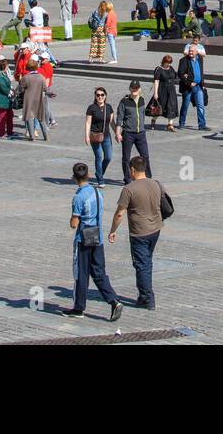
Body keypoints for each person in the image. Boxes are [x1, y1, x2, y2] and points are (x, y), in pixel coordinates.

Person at [64, 162, 123, 321]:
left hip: (83, 238)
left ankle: (79, 307)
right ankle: (114, 301)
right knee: (98, 272)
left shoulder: (78, 196)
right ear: (88, 175)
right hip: (98, 236)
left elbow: (74, 223)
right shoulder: (97, 192)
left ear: (74, 178)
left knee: (80, 274)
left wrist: (72, 220)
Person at [109, 154, 164, 310]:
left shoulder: (129, 189)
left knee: (141, 265)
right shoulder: (156, 184)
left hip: (139, 232)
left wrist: (112, 231)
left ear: (132, 170)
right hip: (155, 229)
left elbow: (119, 213)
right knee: (146, 262)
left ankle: (147, 298)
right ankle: (144, 294)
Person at [115, 80, 151, 185]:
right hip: (128, 133)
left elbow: (143, 115)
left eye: (136, 88)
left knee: (145, 156)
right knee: (126, 158)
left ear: (139, 89)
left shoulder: (142, 100)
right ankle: (127, 179)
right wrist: (118, 133)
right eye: (132, 88)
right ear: (130, 89)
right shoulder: (124, 101)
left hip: (141, 133)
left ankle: (147, 177)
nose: (134, 90)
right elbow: (119, 119)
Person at [19, 57, 56, 142]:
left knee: (29, 118)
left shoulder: (25, 78)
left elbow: (21, 90)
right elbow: (46, 89)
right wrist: (51, 94)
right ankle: (46, 136)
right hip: (39, 99)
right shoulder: (41, 77)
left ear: (28, 67)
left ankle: (32, 136)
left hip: (28, 100)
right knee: (41, 118)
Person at [85, 88, 115, 186]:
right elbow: (88, 122)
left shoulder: (109, 107)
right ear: (95, 96)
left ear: (105, 96)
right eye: (98, 95)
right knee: (98, 157)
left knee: (108, 157)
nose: (100, 97)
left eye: (102, 95)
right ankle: (100, 180)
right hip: (95, 136)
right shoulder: (91, 108)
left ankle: (99, 173)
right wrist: (87, 136)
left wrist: (117, 133)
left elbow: (112, 122)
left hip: (106, 136)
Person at [177, 44, 208, 131]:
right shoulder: (183, 60)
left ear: (196, 52)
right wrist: (188, 83)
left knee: (200, 106)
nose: (190, 52)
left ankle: (202, 125)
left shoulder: (200, 59)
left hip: (198, 87)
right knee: (185, 105)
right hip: (188, 88)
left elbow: (201, 72)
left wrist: (203, 84)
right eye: (189, 51)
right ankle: (182, 123)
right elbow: (180, 73)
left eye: (192, 51)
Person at [150, 54, 178, 132]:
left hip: (171, 91)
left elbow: (175, 76)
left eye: (170, 62)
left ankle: (170, 125)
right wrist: (155, 93)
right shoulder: (159, 69)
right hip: (162, 90)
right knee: (159, 108)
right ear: (164, 61)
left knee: (171, 107)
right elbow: (156, 81)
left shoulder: (171, 68)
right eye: (167, 62)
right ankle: (153, 120)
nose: (169, 64)